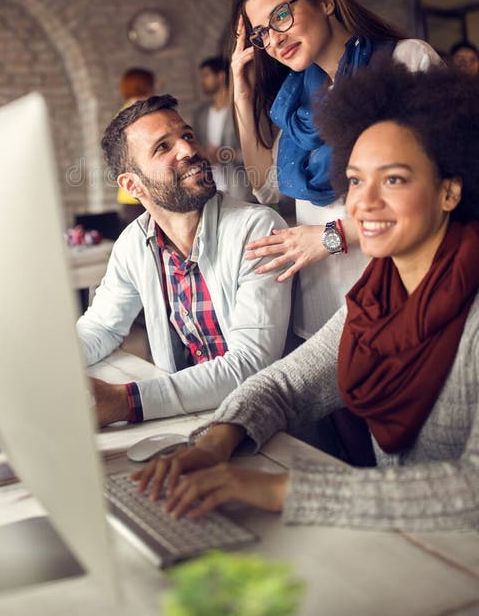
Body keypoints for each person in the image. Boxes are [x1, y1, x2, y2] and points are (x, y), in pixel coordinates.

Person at [135, 59, 479, 532]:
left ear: (449, 191)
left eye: (394, 179)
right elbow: (286, 384)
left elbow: (471, 491)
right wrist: (214, 443)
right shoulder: (379, 296)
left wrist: (277, 490)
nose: (363, 202)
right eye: (355, 180)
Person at [230, 0, 441, 342]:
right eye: (261, 33)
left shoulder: (406, 61)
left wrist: (330, 235)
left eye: (281, 16)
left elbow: (435, 192)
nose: (273, 40)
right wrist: (241, 97)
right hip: (320, 315)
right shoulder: (298, 106)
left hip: (398, 303)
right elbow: (266, 186)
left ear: (325, 1)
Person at [76, 94, 293, 428]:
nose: (189, 150)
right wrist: (52, 368)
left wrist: (128, 402)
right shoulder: (134, 243)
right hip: (185, 421)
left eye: (187, 136)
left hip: (266, 424)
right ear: (132, 184)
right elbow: (102, 326)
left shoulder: (256, 228)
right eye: (163, 147)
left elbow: (251, 365)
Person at [193, 56, 253, 201]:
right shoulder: (201, 113)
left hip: (240, 188)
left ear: (221, 76)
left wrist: (225, 154)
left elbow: (258, 149)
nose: (201, 81)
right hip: (211, 190)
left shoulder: (241, 110)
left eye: (206, 76)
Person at [116, 67, 156, 226]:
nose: (154, 89)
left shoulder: (122, 113)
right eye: (152, 85)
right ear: (143, 86)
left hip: (129, 191)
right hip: (145, 189)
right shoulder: (142, 113)